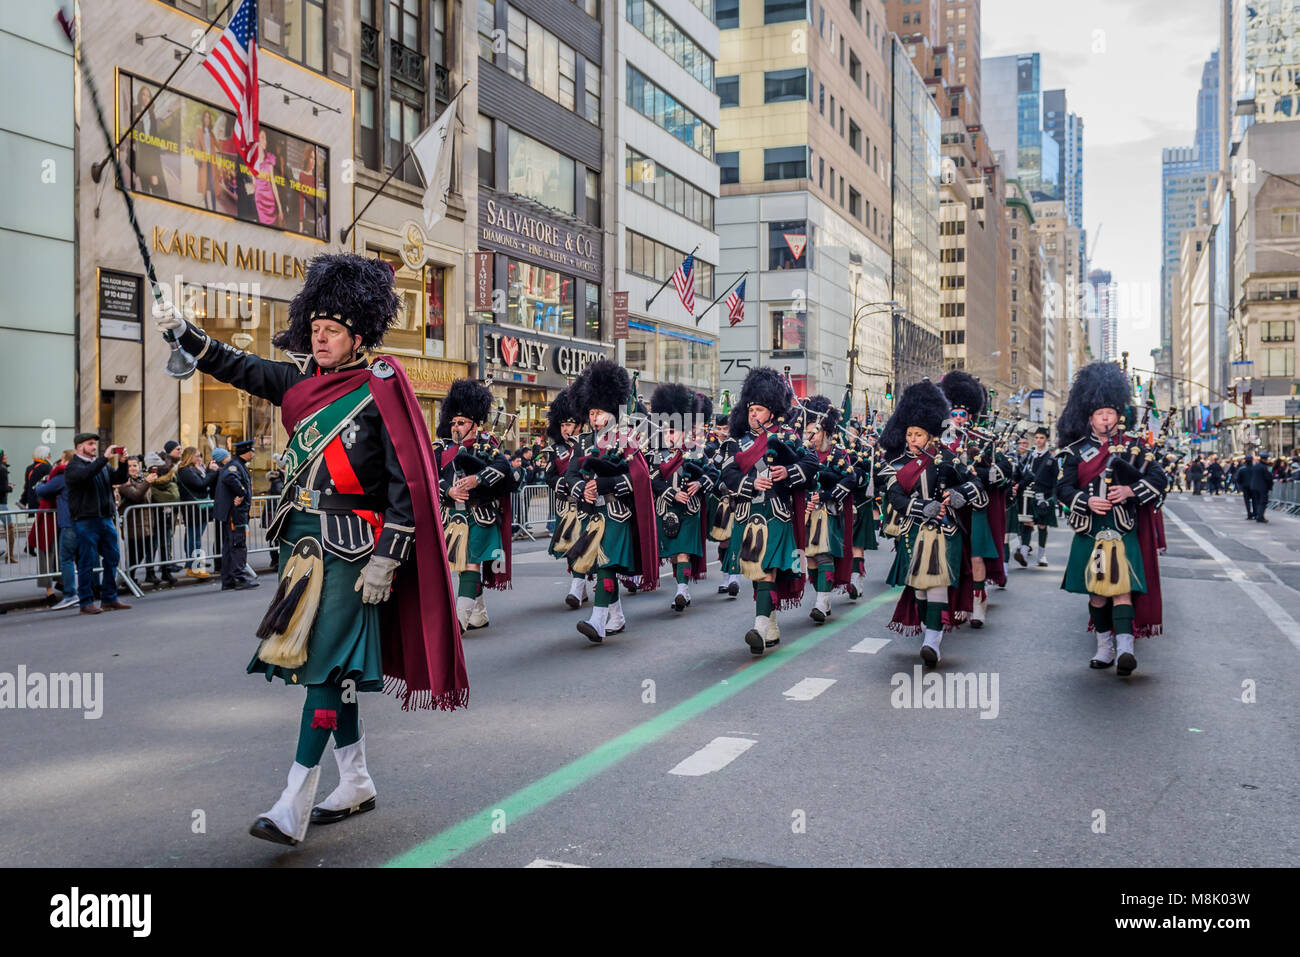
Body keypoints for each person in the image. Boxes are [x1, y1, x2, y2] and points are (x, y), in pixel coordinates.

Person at [155, 251, 467, 847]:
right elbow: (236, 365)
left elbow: (408, 479)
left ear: (357, 335)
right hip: (302, 545)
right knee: (328, 668)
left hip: (355, 552)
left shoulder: (381, 387)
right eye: (315, 331)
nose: (320, 340)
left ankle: (292, 801)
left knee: (322, 667)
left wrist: (390, 554)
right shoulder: (299, 383)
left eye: (331, 332)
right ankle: (355, 780)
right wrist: (185, 333)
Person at [1056, 362, 1167, 676]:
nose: (1106, 420)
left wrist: (1129, 491)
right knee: (1097, 593)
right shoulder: (1075, 452)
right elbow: (1062, 489)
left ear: (1120, 415)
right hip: (1092, 529)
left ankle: (1126, 649)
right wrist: (1087, 500)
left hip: (1123, 527)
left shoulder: (1136, 448)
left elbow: (1160, 480)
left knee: (1122, 588)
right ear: (1089, 417)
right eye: (1100, 415)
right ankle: (1104, 646)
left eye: (1111, 414)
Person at [880, 380, 984, 666]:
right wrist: (924, 506)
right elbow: (895, 498)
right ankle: (929, 628)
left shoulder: (947, 459)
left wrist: (958, 494)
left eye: (918, 434)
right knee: (920, 588)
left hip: (945, 532)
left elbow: (975, 484)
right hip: (912, 533)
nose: (913, 439)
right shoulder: (896, 464)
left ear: (930, 436)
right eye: (910, 434)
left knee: (937, 584)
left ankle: (932, 642)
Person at [719, 367, 817, 656]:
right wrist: (750, 482)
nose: (753, 414)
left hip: (777, 513)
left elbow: (811, 464)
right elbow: (725, 475)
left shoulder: (788, 437)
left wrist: (787, 472)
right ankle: (771, 624)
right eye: (751, 409)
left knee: (766, 572)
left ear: (772, 411)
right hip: (748, 514)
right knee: (757, 573)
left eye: (759, 409)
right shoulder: (737, 442)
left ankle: (760, 626)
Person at [562, 359, 659, 643]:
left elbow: (639, 479)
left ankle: (598, 620)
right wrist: (583, 489)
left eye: (599, 412)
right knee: (601, 568)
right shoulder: (581, 442)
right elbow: (569, 476)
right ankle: (615, 617)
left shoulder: (626, 439)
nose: (594, 418)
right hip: (591, 515)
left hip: (617, 515)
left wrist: (603, 484)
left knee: (605, 565)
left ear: (612, 412)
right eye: (591, 412)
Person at [435, 378, 517, 631]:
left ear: (474, 424)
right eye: (454, 422)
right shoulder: (439, 449)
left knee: (472, 563)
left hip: (480, 514)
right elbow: (429, 476)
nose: (456, 427)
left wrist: (477, 479)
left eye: (461, 422)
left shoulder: (486, 447)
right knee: (461, 566)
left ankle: (459, 619)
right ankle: (478, 612)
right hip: (451, 516)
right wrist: (448, 489)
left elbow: (504, 469)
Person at [940, 371, 1006, 628]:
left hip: (976, 506)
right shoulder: (941, 442)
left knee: (976, 556)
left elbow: (1005, 472)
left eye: (962, 414)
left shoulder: (982, 440)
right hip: (951, 506)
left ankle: (978, 601)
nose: (957, 418)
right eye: (953, 414)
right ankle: (956, 601)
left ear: (970, 416)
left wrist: (986, 468)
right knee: (952, 555)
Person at [648, 383, 712, 613]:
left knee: (683, 550)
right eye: (665, 432)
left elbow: (713, 473)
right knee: (674, 554)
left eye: (673, 432)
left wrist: (699, 483)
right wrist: (670, 492)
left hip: (689, 510)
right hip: (666, 509)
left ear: (683, 432)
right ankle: (681, 586)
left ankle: (682, 590)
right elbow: (652, 478)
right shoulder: (655, 454)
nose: (668, 436)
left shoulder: (695, 451)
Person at [800, 394, 856, 623]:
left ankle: (821, 603)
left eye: (815, 432)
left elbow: (850, 480)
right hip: (805, 513)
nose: (810, 437)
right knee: (811, 559)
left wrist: (827, 494)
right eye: (807, 432)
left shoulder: (838, 454)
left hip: (829, 512)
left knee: (824, 556)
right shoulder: (801, 453)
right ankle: (823, 597)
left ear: (825, 432)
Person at [64, 433, 131, 614]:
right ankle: (86, 601)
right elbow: (85, 476)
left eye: (95, 444)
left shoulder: (101, 465)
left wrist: (123, 462)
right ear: (79, 447)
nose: (94, 447)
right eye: (90, 444)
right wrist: (104, 458)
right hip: (85, 520)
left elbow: (118, 479)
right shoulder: (73, 467)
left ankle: (109, 598)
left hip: (105, 518)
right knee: (87, 561)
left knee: (112, 558)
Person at [542, 386, 590, 608]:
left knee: (585, 546)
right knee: (571, 548)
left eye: (569, 424)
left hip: (587, 504)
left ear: (579, 424)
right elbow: (549, 477)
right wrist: (561, 484)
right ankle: (579, 587)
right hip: (566, 506)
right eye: (562, 425)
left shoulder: (590, 445)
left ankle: (578, 588)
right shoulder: (555, 451)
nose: (565, 429)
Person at [33, 451, 79, 609]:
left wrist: (42, 484)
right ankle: (69, 587)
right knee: (69, 558)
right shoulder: (80, 473)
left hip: (55, 521)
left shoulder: (60, 475)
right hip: (71, 520)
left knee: (51, 556)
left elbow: (41, 491)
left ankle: (58, 591)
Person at [1013, 427, 1058, 567]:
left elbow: (1055, 480)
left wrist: (1053, 498)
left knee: (1043, 526)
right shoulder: (1030, 456)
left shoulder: (1052, 458)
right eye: (1037, 438)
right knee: (1027, 522)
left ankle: (1041, 555)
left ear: (1046, 439)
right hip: (1029, 494)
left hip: (1045, 495)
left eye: (1042, 438)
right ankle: (1024, 553)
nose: (1038, 440)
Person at [215, 441, 257, 591]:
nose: (253, 453)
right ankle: (239, 577)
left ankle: (228, 580)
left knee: (230, 546)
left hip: (236, 512)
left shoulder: (237, 464)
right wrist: (241, 492)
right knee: (237, 544)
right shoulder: (234, 465)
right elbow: (229, 478)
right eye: (252, 450)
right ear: (246, 451)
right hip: (236, 513)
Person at [176, 446, 215, 579]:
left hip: (200, 508)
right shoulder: (185, 471)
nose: (200, 458)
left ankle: (192, 564)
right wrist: (211, 472)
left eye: (200, 456)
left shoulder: (194, 469)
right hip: (194, 509)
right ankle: (196, 567)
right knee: (195, 538)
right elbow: (200, 484)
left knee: (194, 537)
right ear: (190, 456)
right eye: (197, 455)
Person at [116, 456, 156, 585]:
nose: (133, 468)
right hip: (132, 524)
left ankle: (129, 578)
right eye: (129, 466)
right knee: (134, 553)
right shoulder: (123, 482)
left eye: (135, 465)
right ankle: (127, 579)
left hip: (145, 523)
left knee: (141, 553)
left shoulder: (140, 479)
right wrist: (147, 482)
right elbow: (136, 496)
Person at [145, 451, 181, 584]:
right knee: (153, 546)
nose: (158, 470)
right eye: (154, 468)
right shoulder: (147, 480)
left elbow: (174, 496)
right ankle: (150, 572)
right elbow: (164, 497)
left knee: (165, 544)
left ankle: (166, 571)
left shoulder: (169, 479)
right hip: (154, 517)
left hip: (165, 516)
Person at [1248, 453, 1274, 522]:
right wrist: (1270, 485)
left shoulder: (1255, 466)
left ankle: (1258, 515)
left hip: (1254, 487)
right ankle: (1260, 516)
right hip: (1262, 487)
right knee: (1262, 502)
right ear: (1264, 459)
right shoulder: (1264, 467)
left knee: (1257, 502)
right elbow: (1268, 477)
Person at [0, 449, 15, 563]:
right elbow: (3, 488)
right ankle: (9, 555)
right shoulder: (3, 469)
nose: (6, 457)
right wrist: (10, 487)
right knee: (10, 527)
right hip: (1, 503)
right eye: (4, 455)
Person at [1236, 455, 1255, 519]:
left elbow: (1238, 479)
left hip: (1245, 487)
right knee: (1255, 500)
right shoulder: (1255, 468)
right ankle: (1255, 513)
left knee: (1247, 501)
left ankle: (1249, 514)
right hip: (1253, 487)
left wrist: (1241, 485)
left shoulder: (1242, 469)